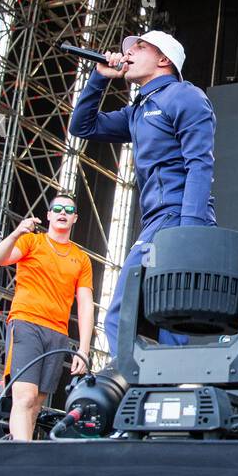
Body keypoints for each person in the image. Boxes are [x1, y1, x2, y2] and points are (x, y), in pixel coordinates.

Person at [69, 30, 215, 350]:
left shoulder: (183, 96)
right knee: (161, 317)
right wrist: (99, 78)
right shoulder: (138, 109)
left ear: (163, 59)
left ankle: (153, 391)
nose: (129, 51)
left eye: (140, 46)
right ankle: (163, 390)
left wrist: (187, 233)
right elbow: (82, 126)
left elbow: (200, 166)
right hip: (157, 221)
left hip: (177, 218)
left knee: (124, 317)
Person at [0, 192, 95, 441]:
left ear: (75, 219)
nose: (62, 213)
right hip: (27, 323)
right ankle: (22, 458)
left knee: (36, 404)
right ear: (48, 215)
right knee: (24, 397)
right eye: (57, 209)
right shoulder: (32, 242)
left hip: (57, 333)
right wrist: (17, 232)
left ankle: (21, 449)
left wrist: (83, 348)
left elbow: (85, 304)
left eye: (68, 211)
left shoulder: (81, 259)